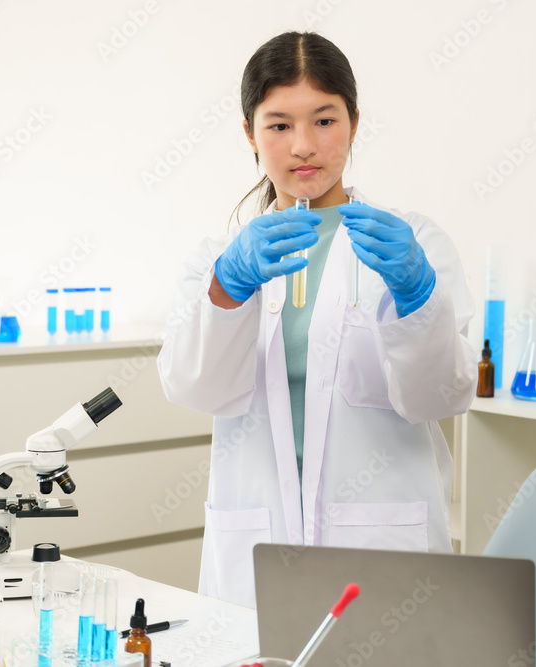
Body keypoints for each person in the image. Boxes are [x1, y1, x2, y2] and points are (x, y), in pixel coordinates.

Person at [157, 31, 476, 609]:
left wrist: (417, 294)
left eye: (324, 121)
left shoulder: (413, 243)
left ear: (354, 122)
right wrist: (229, 290)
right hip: (258, 546)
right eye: (279, 125)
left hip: (381, 549)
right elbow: (192, 385)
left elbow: (442, 397)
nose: (304, 145)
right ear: (250, 133)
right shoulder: (218, 258)